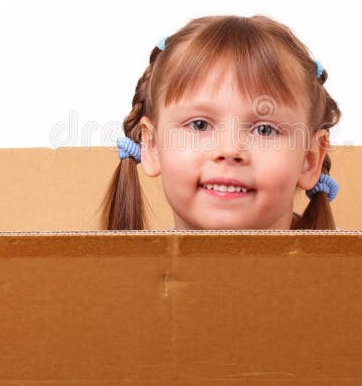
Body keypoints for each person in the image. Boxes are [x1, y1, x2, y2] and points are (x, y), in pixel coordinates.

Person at [101, 15, 342, 230]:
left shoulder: (350, 277)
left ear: (309, 161)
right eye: (199, 125)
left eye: (265, 129)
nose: (229, 150)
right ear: (152, 146)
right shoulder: (116, 278)